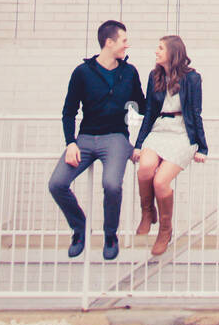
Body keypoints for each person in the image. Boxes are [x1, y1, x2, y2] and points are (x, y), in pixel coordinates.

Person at [48, 20, 146, 261]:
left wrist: (139, 141)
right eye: (123, 40)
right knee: (57, 184)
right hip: (85, 138)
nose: (127, 45)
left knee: (112, 184)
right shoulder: (82, 73)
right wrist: (70, 142)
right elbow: (69, 111)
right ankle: (79, 227)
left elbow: (142, 107)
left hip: (116, 138)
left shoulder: (129, 72)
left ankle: (110, 234)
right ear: (109, 42)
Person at [131, 36, 208, 256]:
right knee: (145, 168)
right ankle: (147, 212)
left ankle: (165, 230)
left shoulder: (192, 78)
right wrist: (138, 145)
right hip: (159, 128)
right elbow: (149, 113)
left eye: (161, 48)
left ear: (173, 52)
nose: (156, 51)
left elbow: (195, 112)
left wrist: (202, 147)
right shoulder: (154, 76)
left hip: (182, 132)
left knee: (160, 181)